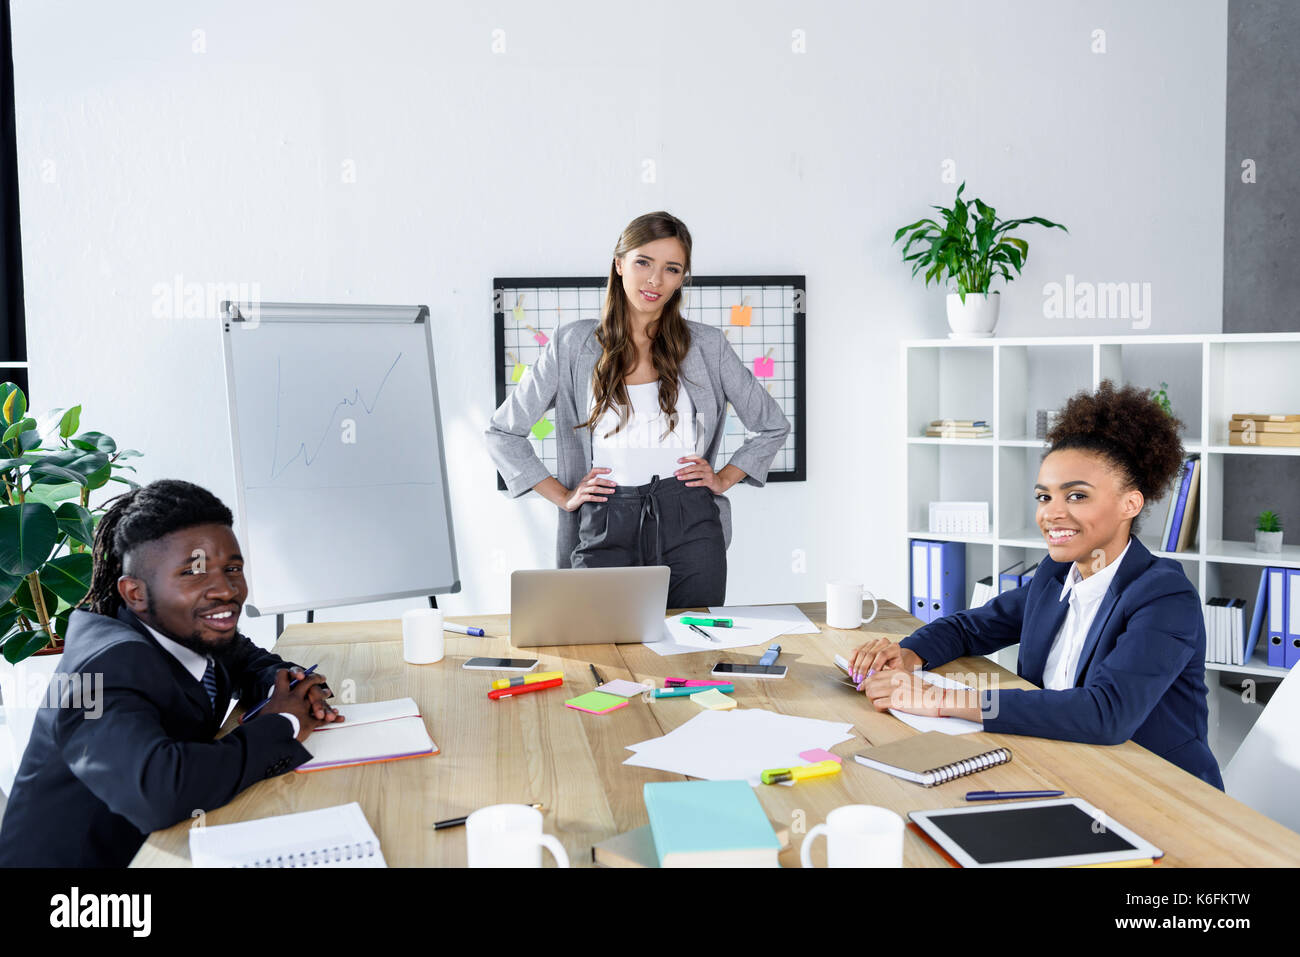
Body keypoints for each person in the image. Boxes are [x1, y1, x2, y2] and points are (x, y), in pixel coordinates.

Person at [849, 381, 1223, 789]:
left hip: (1160, 790)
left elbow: (1106, 713)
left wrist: (938, 700)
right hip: (1064, 766)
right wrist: (909, 654)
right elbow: (970, 628)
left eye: (1077, 496)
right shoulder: (1056, 575)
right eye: (1044, 497)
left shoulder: (1163, 595)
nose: (1052, 514)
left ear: (1129, 505)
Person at [0, 479, 343, 867]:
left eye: (232, 568)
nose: (225, 590)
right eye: (194, 572)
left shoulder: (183, 626)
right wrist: (282, 722)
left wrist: (288, 685)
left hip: (169, 844)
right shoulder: (94, 675)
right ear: (135, 593)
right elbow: (157, 792)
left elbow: (247, 659)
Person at [486, 211, 789, 607]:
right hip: (605, 521)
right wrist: (564, 496)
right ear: (619, 263)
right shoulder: (571, 344)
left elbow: (772, 425)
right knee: (601, 649)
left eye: (672, 269)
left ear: (682, 278)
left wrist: (723, 478)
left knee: (692, 650)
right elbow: (503, 433)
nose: (655, 280)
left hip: (691, 522)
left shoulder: (707, 346)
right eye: (643, 262)